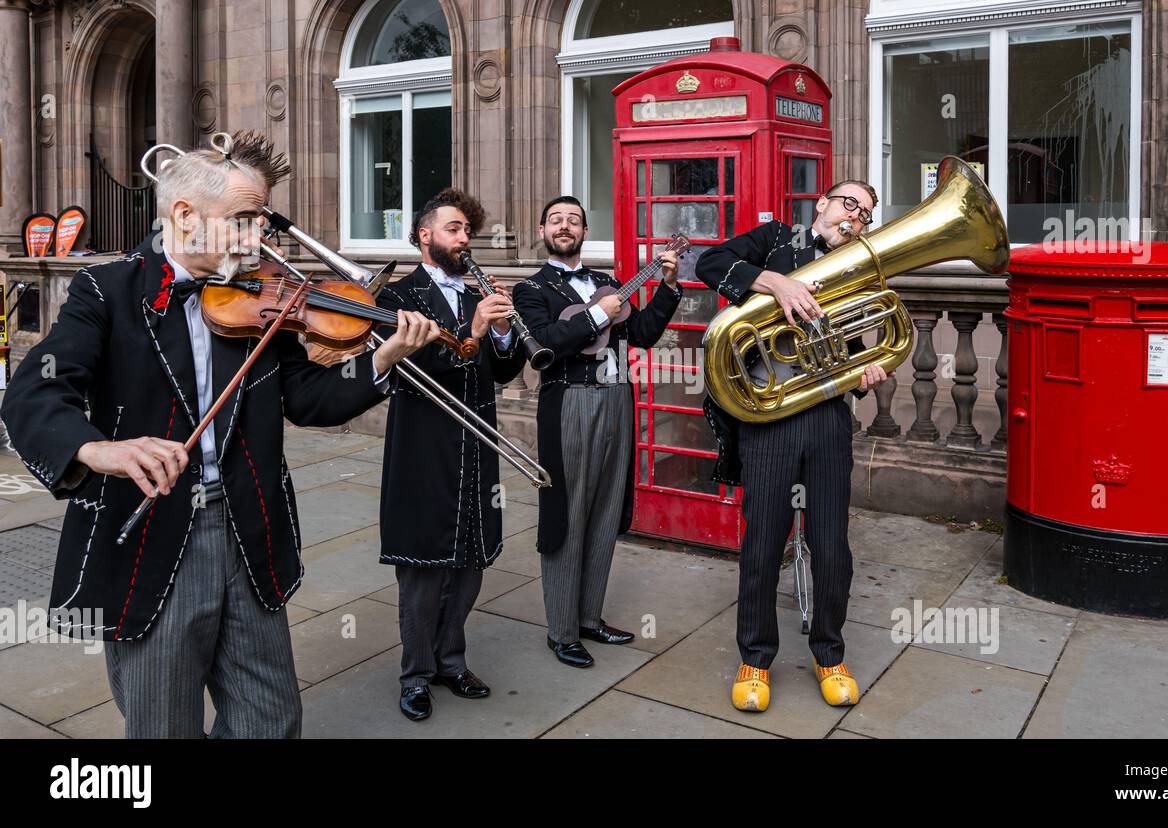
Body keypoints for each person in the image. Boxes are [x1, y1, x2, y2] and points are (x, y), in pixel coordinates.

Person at [0, 131, 441, 737]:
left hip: (247, 529)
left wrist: (383, 357)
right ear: (185, 215)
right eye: (243, 220)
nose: (257, 239)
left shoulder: (265, 297)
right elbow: (37, 391)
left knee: (272, 718)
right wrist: (96, 448)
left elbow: (309, 401)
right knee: (163, 724)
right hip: (152, 535)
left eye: (261, 222)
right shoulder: (107, 291)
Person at [694, 180, 889, 712]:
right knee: (762, 546)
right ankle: (755, 659)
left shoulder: (859, 263)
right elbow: (708, 263)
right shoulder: (777, 237)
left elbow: (857, 342)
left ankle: (829, 654)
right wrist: (774, 283)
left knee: (833, 547)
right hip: (769, 416)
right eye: (849, 203)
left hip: (826, 414)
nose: (855, 217)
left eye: (866, 213)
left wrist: (865, 371)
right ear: (822, 202)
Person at [376, 188, 526, 721]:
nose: (465, 240)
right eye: (454, 229)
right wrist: (477, 331)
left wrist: (504, 333)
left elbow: (503, 372)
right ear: (425, 234)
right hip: (425, 446)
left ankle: (451, 660)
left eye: (468, 231)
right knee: (422, 568)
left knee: (469, 561)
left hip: (477, 446)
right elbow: (413, 370)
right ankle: (415, 673)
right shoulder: (398, 298)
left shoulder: (472, 294)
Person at [511, 196, 680, 668]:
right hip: (569, 402)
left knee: (607, 507)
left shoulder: (607, 283)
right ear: (543, 230)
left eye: (574, 220)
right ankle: (562, 630)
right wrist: (598, 315)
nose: (565, 226)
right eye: (556, 220)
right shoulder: (531, 289)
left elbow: (643, 334)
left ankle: (589, 616)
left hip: (617, 398)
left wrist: (667, 287)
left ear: (585, 232)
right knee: (570, 509)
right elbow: (546, 343)